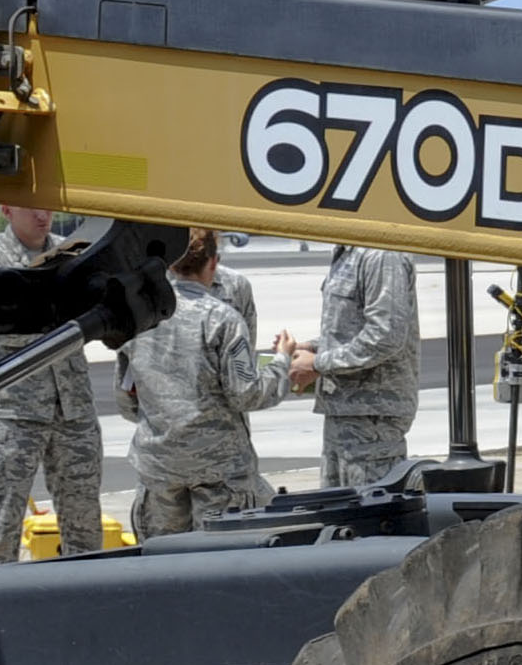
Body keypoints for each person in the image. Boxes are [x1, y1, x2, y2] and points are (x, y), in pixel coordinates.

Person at [0, 206, 106, 565]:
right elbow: (7, 333)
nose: (43, 216)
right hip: (14, 414)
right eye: (32, 208)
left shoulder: (73, 258)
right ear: (7, 210)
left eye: (48, 208)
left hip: (73, 413)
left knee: (85, 530)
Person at [118, 227, 287, 540]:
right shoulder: (222, 319)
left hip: (160, 467)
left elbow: (128, 398)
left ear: (170, 265)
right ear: (212, 263)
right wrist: (281, 363)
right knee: (221, 561)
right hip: (218, 468)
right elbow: (245, 393)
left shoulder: (142, 315)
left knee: (162, 560)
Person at [290, 243, 419, 487]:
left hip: (373, 419)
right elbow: (353, 330)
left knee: (369, 513)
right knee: (338, 513)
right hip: (345, 413)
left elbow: (386, 336)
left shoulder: (381, 254)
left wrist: (318, 364)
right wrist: (312, 348)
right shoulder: (346, 252)